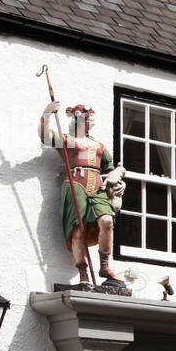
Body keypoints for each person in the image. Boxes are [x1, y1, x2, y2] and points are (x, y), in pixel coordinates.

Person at [39, 101, 126, 286]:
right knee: (78, 228)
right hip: (75, 183)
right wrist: (47, 114)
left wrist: (118, 182)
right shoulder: (67, 141)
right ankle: (83, 271)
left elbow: (111, 169)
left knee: (107, 221)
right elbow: (45, 136)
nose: (91, 121)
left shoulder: (99, 146)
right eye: (88, 118)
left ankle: (104, 265)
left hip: (97, 184)